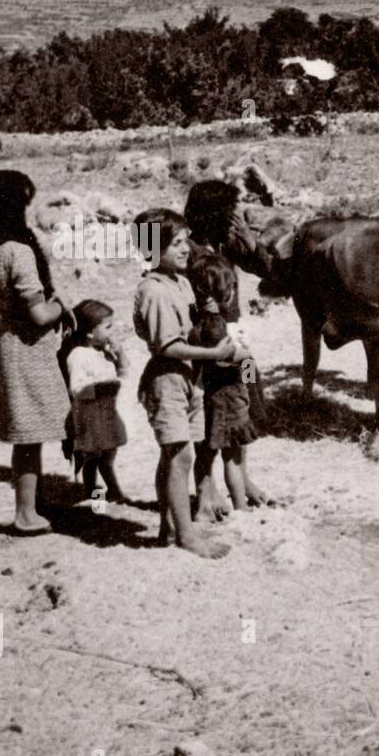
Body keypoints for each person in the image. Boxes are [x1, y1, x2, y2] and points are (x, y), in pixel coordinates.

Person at [131, 208, 240, 559]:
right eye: (175, 243)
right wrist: (214, 355)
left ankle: (169, 526)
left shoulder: (178, 283)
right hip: (167, 380)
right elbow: (168, 345)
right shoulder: (154, 290)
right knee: (179, 457)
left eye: (184, 242)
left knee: (173, 458)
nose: (184, 249)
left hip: (187, 378)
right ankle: (187, 537)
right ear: (152, 248)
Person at [0, 169, 73, 535]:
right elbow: (39, 313)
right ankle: (25, 513)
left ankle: (34, 504)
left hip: (10, 341)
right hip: (28, 348)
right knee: (29, 437)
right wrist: (63, 304)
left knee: (29, 433)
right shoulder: (18, 251)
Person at [183, 179, 272, 511]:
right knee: (212, 416)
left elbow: (268, 271)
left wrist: (251, 241)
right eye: (231, 213)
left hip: (240, 345)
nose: (237, 219)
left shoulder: (226, 243)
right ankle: (206, 486)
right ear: (214, 215)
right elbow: (147, 251)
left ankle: (241, 477)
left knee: (245, 405)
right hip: (210, 347)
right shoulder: (186, 249)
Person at [192, 305, 261, 511]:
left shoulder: (205, 359)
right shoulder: (239, 356)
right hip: (237, 412)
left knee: (211, 457)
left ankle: (225, 500)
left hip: (215, 413)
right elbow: (250, 376)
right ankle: (240, 505)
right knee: (233, 460)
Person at [58, 299, 128, 505]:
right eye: (107, 327)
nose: (111, 331)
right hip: (90, 416)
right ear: (90, 333)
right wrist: (100, 388)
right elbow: (77, 388)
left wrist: (120, 354)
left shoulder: (104, 352)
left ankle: (106, 489)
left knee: (107, 453)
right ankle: (96, 490)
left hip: (106, 413)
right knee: (92, 454)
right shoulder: (79, 356)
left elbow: (124, 371)